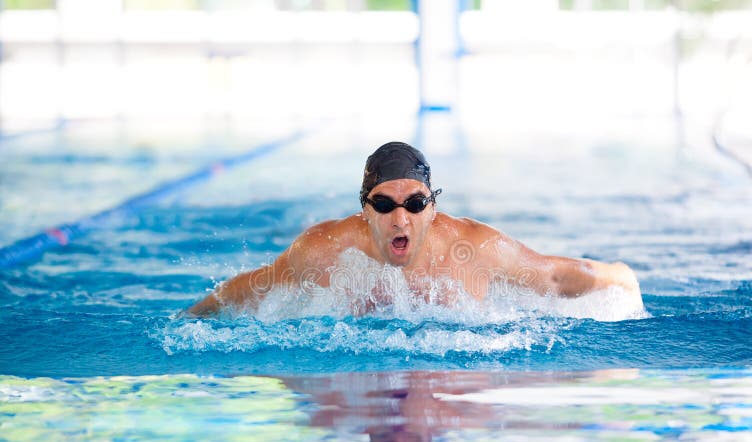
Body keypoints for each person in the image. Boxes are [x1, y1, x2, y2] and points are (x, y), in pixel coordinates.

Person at [187, 141, 642, 317]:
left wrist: (622, 279)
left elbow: (555, 277)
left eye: (415, 204)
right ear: (365, 210)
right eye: (384, 205)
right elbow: (257, 286)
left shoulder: (474, 248)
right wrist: (189, 321)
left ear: (432, 209)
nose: (400, 219)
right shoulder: (325, 250)